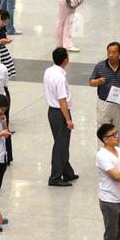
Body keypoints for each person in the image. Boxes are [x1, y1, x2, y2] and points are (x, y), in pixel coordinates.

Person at [45, 46, 77, 186]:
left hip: (52, 111)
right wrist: (68, 119)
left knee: (62, 144)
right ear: (65, 60)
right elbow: (62, 100)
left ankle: (67, 171)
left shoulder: (48, 71)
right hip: (60, 112)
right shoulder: (60, 77)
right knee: (60, 145)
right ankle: (55, 177)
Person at [88, 41, 120, 135]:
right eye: (109, 52)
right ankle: (103, 150)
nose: (110, 55)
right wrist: (98, 82)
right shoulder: (100, 66)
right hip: (104, 104)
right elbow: (91, 82)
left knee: (117, 132)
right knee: (103, 132)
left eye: (114, 52)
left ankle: (114, 149)